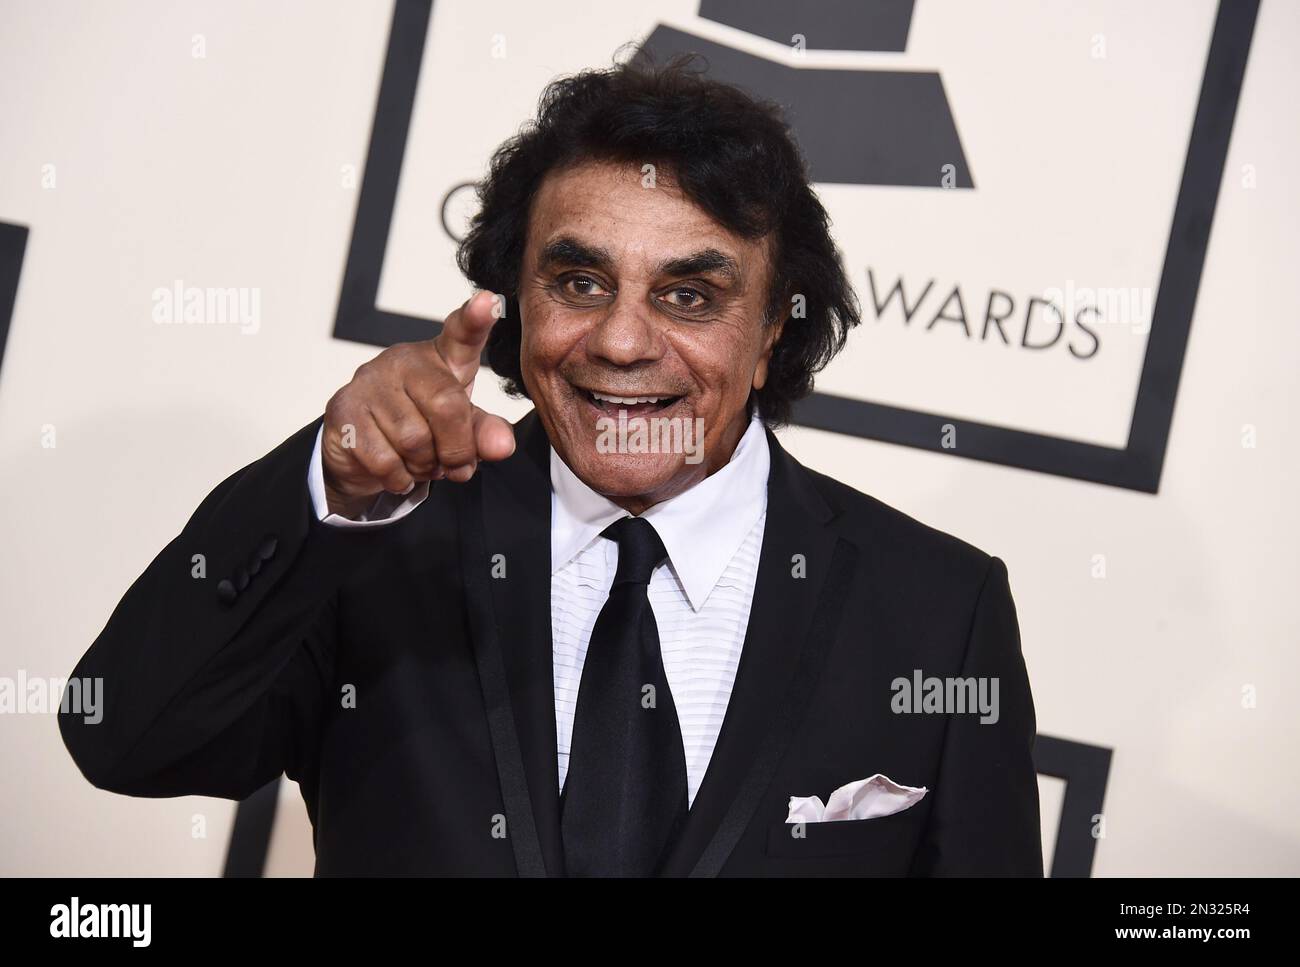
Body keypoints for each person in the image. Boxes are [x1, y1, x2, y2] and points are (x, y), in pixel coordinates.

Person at [60, 57, 1041, 876]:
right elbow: (129, 739)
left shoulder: (936, 611)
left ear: (774, 330)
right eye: (579, 281)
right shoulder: (378, 542)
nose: (620, 340)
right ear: (513, 298)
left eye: (689, 296)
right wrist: (324, 485)